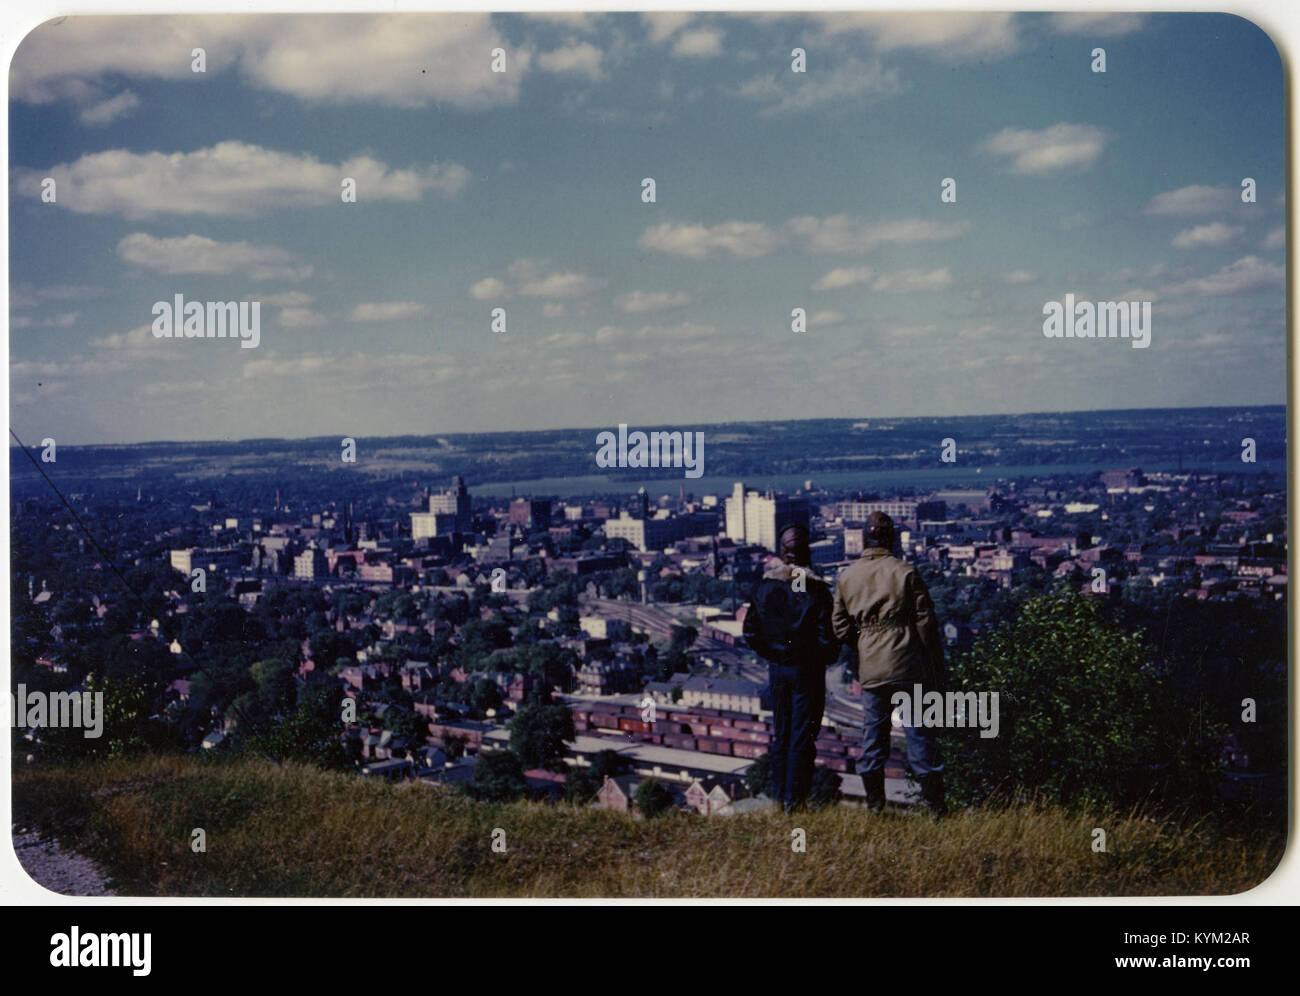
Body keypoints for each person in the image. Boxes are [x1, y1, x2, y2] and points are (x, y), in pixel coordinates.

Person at [832, 512, 947, 817]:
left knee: (873, 737)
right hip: (908, 664)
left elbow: (840, 627)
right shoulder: (905, 572)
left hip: (871, 668)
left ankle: (875, 809)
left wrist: (864, 643)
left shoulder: (847, 576)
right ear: (892, 538)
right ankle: (936, 810)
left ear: (865, 540)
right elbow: (926, 624)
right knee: (919, 735)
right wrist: (933, 661)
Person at [742, 524, 840, 812]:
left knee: (781, 734)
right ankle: (793, 802)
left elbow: (750, 632)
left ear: (782, 553)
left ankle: (779, 797)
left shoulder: (764, 587)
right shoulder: (816, 589)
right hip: (806, 671)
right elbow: (827, 637)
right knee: (802, 737)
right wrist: (818, 658)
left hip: (777, 671)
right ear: (806, 553)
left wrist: (775, 654)